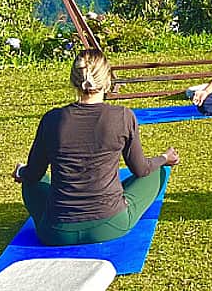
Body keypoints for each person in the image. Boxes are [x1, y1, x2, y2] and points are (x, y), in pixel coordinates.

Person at [13, 50, 179, 246]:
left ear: (73, 81)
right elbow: (141, 169)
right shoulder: (123, 116)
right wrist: (164, 158)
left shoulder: (52, 119)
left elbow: (33, 174)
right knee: (157, 172)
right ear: (108, 82)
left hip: (56, 231)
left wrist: (20, 171)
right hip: (110, 226)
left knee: (30, 180)